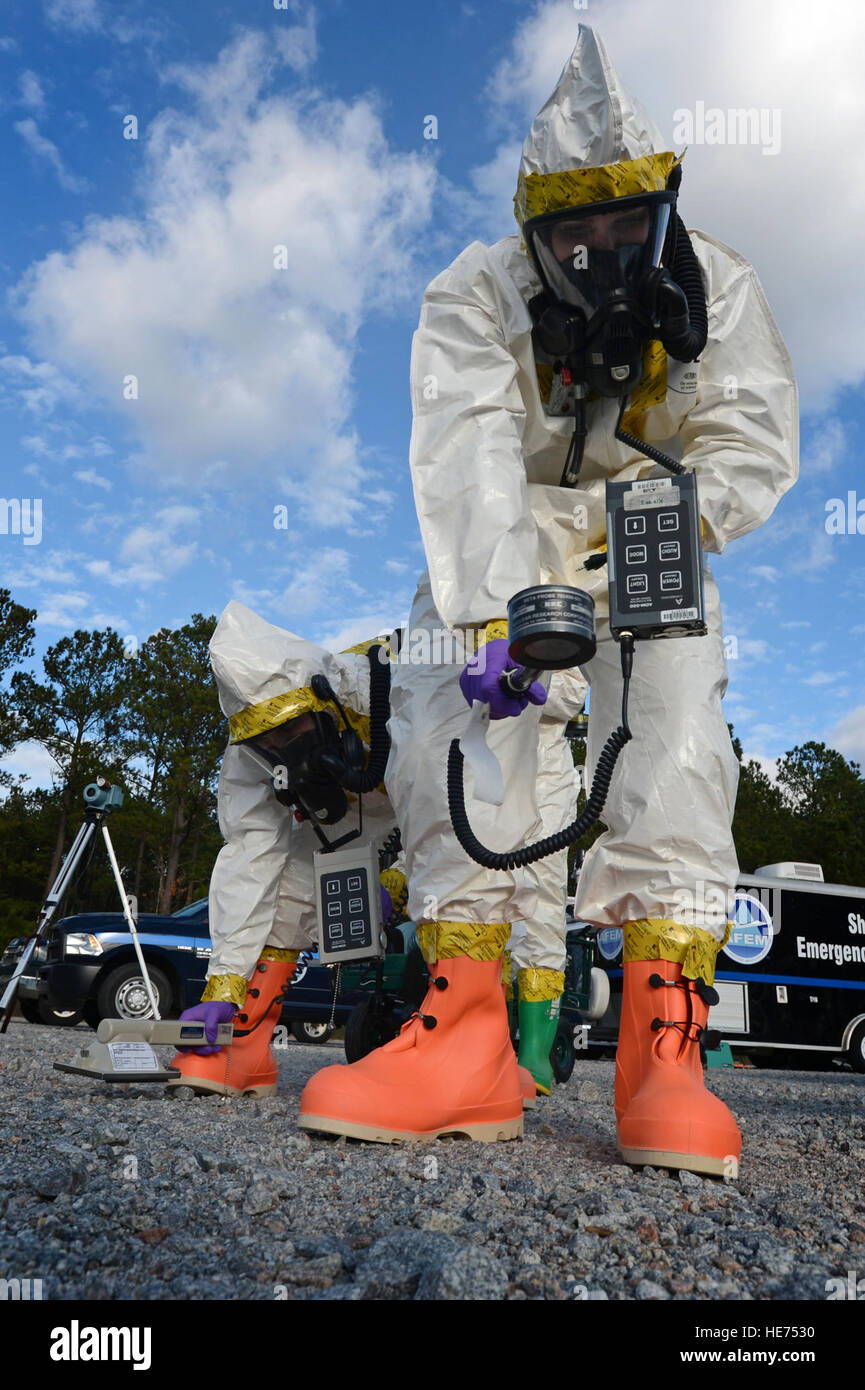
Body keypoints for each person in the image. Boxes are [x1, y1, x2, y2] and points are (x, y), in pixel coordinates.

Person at [300, 27, 798, 1172]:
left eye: (627, 231)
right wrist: (491, 613)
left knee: (671, 719)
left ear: (661, 218)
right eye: (574, 235)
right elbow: (466, 447)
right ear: (535, 232)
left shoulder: (717, 284)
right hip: (510, 523)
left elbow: (747, 439)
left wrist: (653, 540)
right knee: (452, 714)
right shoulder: (475, 291)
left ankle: (658, 1051)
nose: (601, 253)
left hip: (650, 517)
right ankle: (464, 1026)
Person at [167, 600, 402, 1097]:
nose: (281, 747)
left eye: (290, 729)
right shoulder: (248, 749)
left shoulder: (389, 688)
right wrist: (223, 983)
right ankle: (245, 1044)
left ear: (321, 701)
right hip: (354, 815)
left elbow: (454, 812)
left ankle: (467, 1038)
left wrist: (400, 878)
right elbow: (249, 860)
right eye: (268, 739)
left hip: (434, 802)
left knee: (460, 894)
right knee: (289, 889)